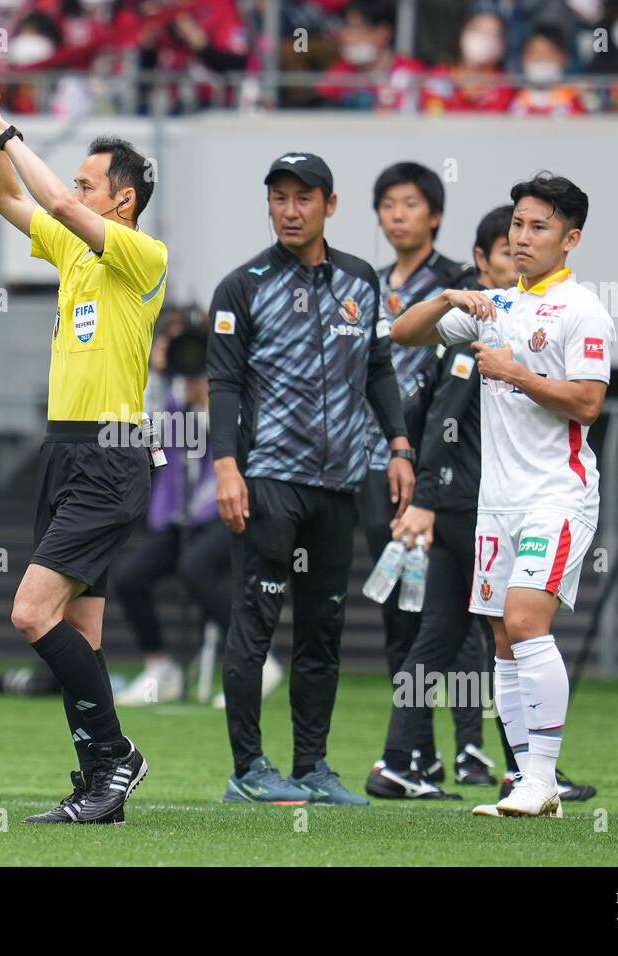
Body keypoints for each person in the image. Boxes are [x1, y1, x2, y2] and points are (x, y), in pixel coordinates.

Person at [0, 64, 166, 825]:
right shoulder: (76, 250)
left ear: (124, 200)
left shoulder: (143, 255)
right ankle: (99, 789)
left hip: (109, 457)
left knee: (29, 613)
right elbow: (8, 197)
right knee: (80, 632)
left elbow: (44, 194)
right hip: (67, 453)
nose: (75, 191)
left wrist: (9, 130)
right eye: (76, 180)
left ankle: (118, 759)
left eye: (90, 182)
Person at [391, 172, 614, 818]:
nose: (522, 237)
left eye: (538, 226)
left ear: (570, 239)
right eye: (518, 224)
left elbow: (589, 403)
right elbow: (403, 331)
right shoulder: (496, 306)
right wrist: (449, 298)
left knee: (524, 621)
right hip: (498, 502)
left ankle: (541, 777)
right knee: (505, 642)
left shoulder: (583, 310)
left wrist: (517, 372)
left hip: (558, 495)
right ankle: (528, 783)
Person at [208, 152, 412, 806]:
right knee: (255, 623)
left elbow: (379, 367)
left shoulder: (360, 281)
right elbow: (223, 385)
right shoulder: (243, 285)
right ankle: (247, 769)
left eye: (303, 198)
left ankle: (312, 768)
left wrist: (401, 445)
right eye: (279, 198)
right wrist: (225, 467)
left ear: (330, 203)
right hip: (268, 480)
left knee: (323, 631)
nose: (290, 210)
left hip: (341, 485)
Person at [362, 161, 472, 784]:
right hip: (372, 466)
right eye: (387, 204)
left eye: (409, 203)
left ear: (435, 214)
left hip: (432, 470)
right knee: (398, 613)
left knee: (445, 617)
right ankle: (418, 753)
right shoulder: (366, 283)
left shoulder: (456, 283)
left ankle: (459, 749)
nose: (397, 214)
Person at [111, 325, 233, 706]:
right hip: (179, 518)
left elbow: (233, 438)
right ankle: (159, 666)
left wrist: (207, 399)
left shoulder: (228, 388)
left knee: (195, 569)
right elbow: (152, 445)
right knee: (130, 578)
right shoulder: (167, 396)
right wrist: (159, 380)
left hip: (222, 512)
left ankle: (251, 658)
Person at [315, 0, 425, 111]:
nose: (346, 37)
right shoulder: (340, 72)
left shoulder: (413, 73)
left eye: (355, 28)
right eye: (345, 28)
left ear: (382, 33)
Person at [508, 23, 585, 116]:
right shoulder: (514, 102)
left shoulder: (572, 101)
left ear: (563, 58)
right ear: (524, 58)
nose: (541, 60)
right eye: (536, 54)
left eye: (548, 54)